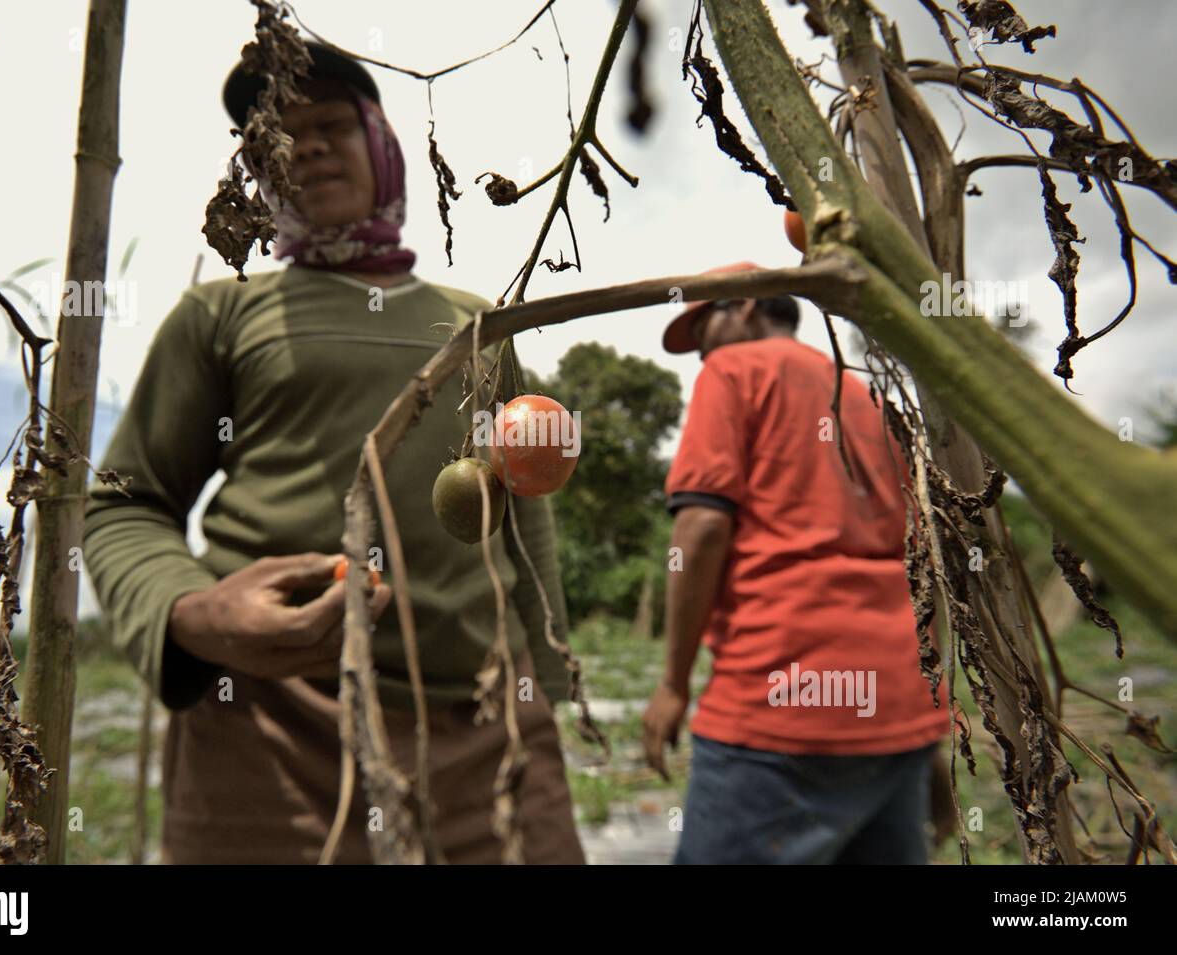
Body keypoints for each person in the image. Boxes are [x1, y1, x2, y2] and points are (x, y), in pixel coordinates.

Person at [82, 42, 584, 864]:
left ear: (383, 143)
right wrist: (193, 612)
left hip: (484, 726)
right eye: (275, 137)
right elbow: (125, 504)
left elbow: (524, 513)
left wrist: (551, 681)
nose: (306, 145)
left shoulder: (475, 324)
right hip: (265, 737)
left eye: (329, 126)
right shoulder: (221, 314)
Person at [641, 261, 951, 864]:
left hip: (780, 704)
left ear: (748, 308)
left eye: (704, 332)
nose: (702, 354)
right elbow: (922, 563)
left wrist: (673, 684)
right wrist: (926, 718)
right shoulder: (868, 396)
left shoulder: (734, 370)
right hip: (896, 706)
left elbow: (701, 527)